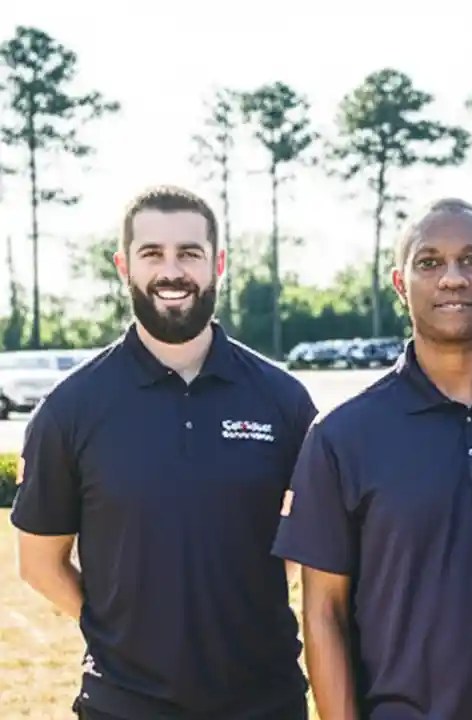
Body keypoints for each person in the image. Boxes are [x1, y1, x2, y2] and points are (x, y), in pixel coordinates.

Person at [270, 198, 472, 719]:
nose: (452, 278)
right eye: (429, 262)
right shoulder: (343, 434)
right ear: (401, 284)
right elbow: (324, 613)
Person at [11, 185, 316, 719]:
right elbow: (40, 562)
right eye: (152, 253)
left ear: (217, 263)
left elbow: (302, 549)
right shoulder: (70, 409)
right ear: (123, 264)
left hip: (264, 702)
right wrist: (116, 629)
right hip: (123, 705)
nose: (171, 272)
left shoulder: (283, 402)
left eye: (189, 253)